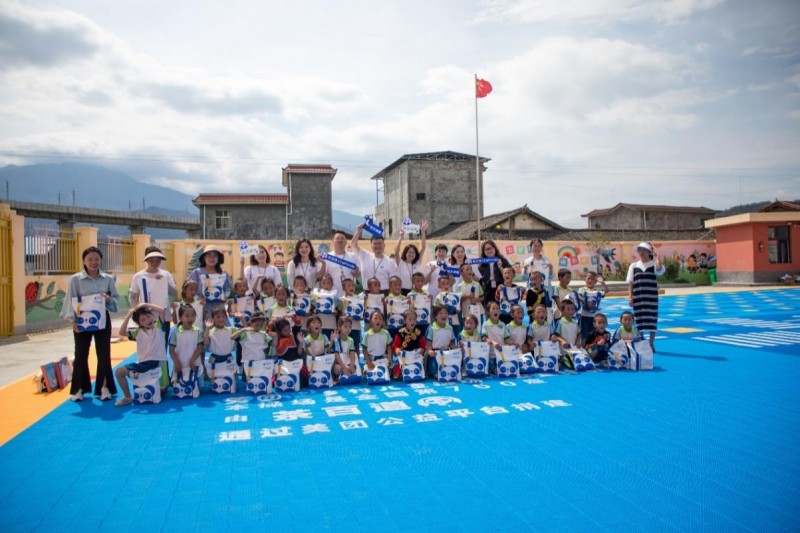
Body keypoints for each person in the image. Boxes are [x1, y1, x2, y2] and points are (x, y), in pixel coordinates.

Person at [61, 246, 119, 402]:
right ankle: (79, 389)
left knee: (104, 355)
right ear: (83, 261)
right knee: (80, 355)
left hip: (102, 321)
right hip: (81, 322)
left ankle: (104, 388)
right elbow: (70, 300)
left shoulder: (107, 279)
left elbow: (115, 301)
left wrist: (108, 299)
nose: (94, 262)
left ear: (101, 260)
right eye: (90, 259)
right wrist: (73, 321)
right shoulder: (75, 279)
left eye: (97, 259)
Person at [114, 303, 167, 407]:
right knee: (119, 372)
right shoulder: (137, 332)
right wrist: (129, 314)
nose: (147, 320)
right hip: (143, 365)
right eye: (143, 320)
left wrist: (145, 304)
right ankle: (128, 397)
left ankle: (151, 385)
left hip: (158, 364)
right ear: (140, 324)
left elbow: (162, 311)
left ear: (152, 315)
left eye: (148, 316)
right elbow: (122, 332)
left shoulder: (159, 327)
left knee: (161, 392)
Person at [129, 246, 177, 342]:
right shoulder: (138, 276)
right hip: (146, 315)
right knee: (147, 342)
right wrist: (138, 312)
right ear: (146, 260)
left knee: (163, 341)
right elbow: (132, 296)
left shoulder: (166, 274)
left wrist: (164, 281)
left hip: (163, 314)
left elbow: (174, 292)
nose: (155, 263)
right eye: (151, 260)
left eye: (157, 260)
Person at [627, 242, 665, 351]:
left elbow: (659, 270)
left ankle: (651, 343)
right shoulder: (633, 266)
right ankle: (641, 342)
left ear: (649, 252)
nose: (641, 252)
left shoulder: (653, 265)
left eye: (644, 250)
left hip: (651, 297)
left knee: (652, 319)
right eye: (640, 250)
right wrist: (630, 296)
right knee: (640, 320)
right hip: (639, 297)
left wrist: (657, 257)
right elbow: (630, 283)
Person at [188, 245, 232, 320]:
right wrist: (197, 299)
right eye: (209, 255)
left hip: (219, 309)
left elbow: (228, 288)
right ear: (204, 258)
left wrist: (225, 296)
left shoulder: (223, 273)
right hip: (201, 308)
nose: (212, 258)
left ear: (218, 258)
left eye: (214, 256)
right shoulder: (197, 273)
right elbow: (189, 288)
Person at [351, 225, 397, 292]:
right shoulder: (365, 255)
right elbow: (353, 245)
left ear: (384, 245)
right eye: (375, 244)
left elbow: (393, 281)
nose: (377, 246)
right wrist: (358, 231)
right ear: (371, 246)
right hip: (367, 293)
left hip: (383, 293)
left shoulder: (390, 262)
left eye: (380, 243)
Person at [169, 304, 204, 377]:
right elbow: (171, 350)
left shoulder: (198, 331)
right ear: (180, 317)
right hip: (180, 366)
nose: (190, 318)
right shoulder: (175, 332)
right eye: (187, 316)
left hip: (194, 365)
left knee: (198, 386)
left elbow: (200, 348)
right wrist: (176, 362)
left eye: (192, 315)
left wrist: (193, 359)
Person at [393, 221, 428, 294]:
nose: (411, 254)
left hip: (414, 292)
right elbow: (396, 252)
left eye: (413, 252)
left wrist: (423, 232)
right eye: (409, 252)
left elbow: (423, 247)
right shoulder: (401, 263)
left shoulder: (416, 263)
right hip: (402, 291)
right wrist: (401, 237)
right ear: (405, 253)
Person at [477, 239, 512, 308]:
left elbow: (510, 275)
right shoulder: (482, 264)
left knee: (501, 309)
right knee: (488, 309)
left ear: (495, 248)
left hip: (500, 287)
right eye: (486, 249)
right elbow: (481, 277)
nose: (489, 251)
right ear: (484, 252)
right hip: (487, 289)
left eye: (491, 248)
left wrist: (501, 267)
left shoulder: (503, 260)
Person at [577, 271, 609, 343]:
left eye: (593, 279)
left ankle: (591, 348)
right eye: (588, 278)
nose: (590, 280)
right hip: (584, 317)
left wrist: (602, 282)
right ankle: (584, 348)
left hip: (594, 318)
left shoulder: (597, 292)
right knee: (584, 334)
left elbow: (606, 291)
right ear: (585, 279)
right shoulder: (582, 289)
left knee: (593, 334)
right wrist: (586, 303)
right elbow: (579, 297)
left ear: (595, 281)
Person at [426, 305, 456, 377]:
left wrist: (456, 348)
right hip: (434, 353)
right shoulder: (432, 328)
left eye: (446, 313)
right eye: (441, 313)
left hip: (446, 353)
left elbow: (451, 343)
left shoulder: (450, 328)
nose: (444, 315)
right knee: (436, 373)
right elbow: (428, 343)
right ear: (435, 316)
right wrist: (430, 351)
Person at [481, 301, 510, 373]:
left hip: (501, 355)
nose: (496, 310)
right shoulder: (485, 324)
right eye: (493, 309)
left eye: (497, 309)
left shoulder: (502, 324)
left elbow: (506, 340)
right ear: (488, 312)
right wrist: (493, 342)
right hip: (491, 355)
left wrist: (515, 344)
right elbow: (484, 338)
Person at [455, 262, 484, 327]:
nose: (470, 270)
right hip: (466, 313)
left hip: (479, 312)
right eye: (467, 269)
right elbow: (459, 300)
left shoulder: (477, 284)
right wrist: (467, 296)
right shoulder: (459, 286)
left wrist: (476, 300)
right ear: (461, 273)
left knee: (479, 328)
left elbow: (482, 297)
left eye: (471, 269)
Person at [331, 317, 359, 382]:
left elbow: (352, 353)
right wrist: (344, 368)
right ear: (339, 327)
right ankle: (337, 377)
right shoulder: (336, 339)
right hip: (339, 363)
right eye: (345, 327)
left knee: (354, 366)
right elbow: (337, 355)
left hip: (347, 361)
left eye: (350, 327)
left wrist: (352, 365)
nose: (348, 329)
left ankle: (348, 374)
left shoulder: (351, 340)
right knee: (337, 368)